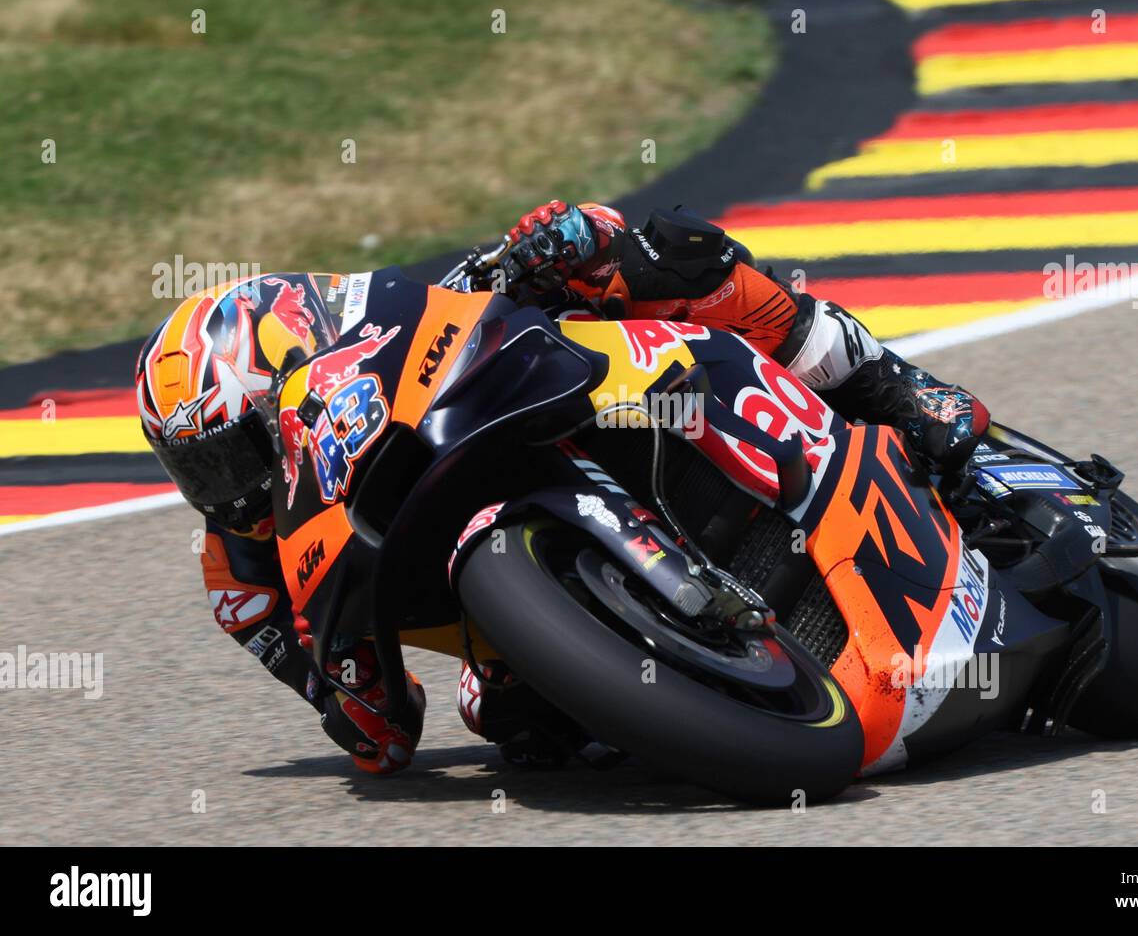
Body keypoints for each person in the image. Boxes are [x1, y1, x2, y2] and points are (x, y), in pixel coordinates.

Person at [136, 201, 988, 776]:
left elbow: (475, 289)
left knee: (634, 247)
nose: (225, 485)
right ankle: (704, 691)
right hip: (491, 617)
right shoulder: (239, 586)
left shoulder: (366, 328)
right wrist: (347, 690)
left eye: (233, 447)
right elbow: (380, 733)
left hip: (547, 403)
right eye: (195, 468)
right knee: (508, 723)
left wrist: (546, 246)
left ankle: (890, 383)